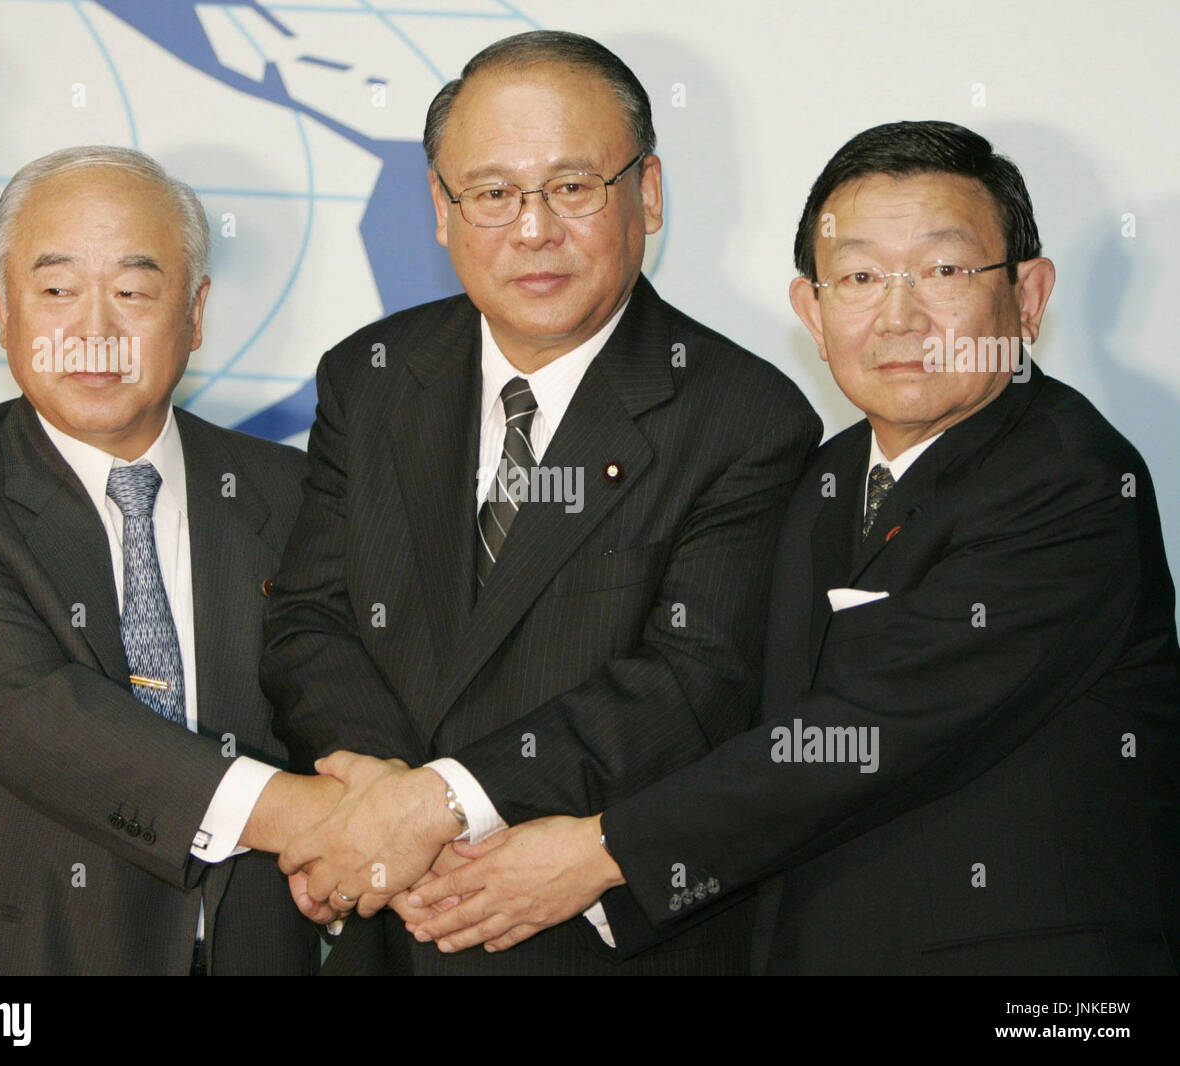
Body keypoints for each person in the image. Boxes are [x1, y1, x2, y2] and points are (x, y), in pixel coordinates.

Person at [405, 120, 1180, 975]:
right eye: (858, 277)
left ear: (1028, 296)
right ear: (811, 311)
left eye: (945, 271)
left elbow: (863, 735)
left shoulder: (1067, 477)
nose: (900, 315)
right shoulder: (822, 475)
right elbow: (724, 698)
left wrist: (598, 851)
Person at [261, 30, 820, 975]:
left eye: (571, 187)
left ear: (646, 192)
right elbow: (311, 622)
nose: (532, 230)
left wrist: (436, 806)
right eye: (491, 194)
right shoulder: (372, 376)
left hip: (586, 943)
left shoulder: (744, 416)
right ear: (441, 210)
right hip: (393, 926)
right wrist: (384, 807)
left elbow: (692, 681)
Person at [0, 146, 343, 975]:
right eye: (56, 291)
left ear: (195, 312)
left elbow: (347, 696)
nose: (93, 331)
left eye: (133, 291)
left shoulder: (296, 490)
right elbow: (35, 720)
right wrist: (330, 823)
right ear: (2, 307)